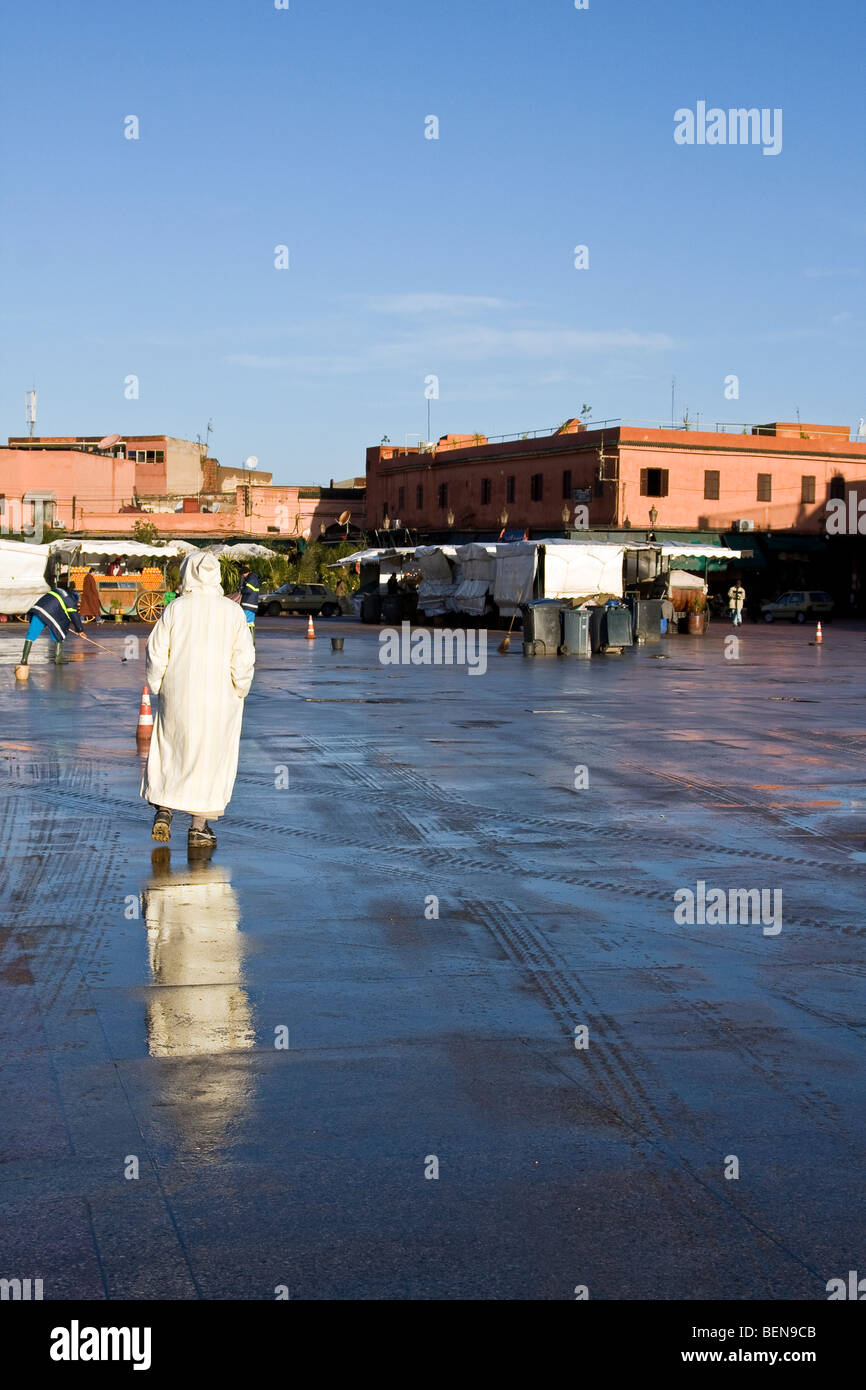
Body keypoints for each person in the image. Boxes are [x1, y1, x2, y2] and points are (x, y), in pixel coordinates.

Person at [141, 551, 255, 851]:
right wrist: (240, 688)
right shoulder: (232, 612)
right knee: (210, 759)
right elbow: (243, 658)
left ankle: (164, 809)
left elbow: (156, 651)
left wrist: (157, 683)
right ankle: (198, 829)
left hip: (178, 693)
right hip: (219, 699)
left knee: (171, 748)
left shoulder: (175, 609)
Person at [19, 579, 83, 667]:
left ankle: (24, 659)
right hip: (49, 612)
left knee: (32, 634)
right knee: (58, 632)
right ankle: (58, 658)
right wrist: (79, 629)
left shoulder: (58, 590)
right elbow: (73, 615)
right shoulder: (71, 600)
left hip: (38, 609)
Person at [238, 564, 260, 643]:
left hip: (249, 604)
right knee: (249, 623)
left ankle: (250, 641)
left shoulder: (252, 578)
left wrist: (241, 590)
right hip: (249, 604)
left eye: (242, 574)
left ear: (245, 573)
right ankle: (250, 641)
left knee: (248, 623)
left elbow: (248, 590)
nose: (242, 576)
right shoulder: (251, 578)